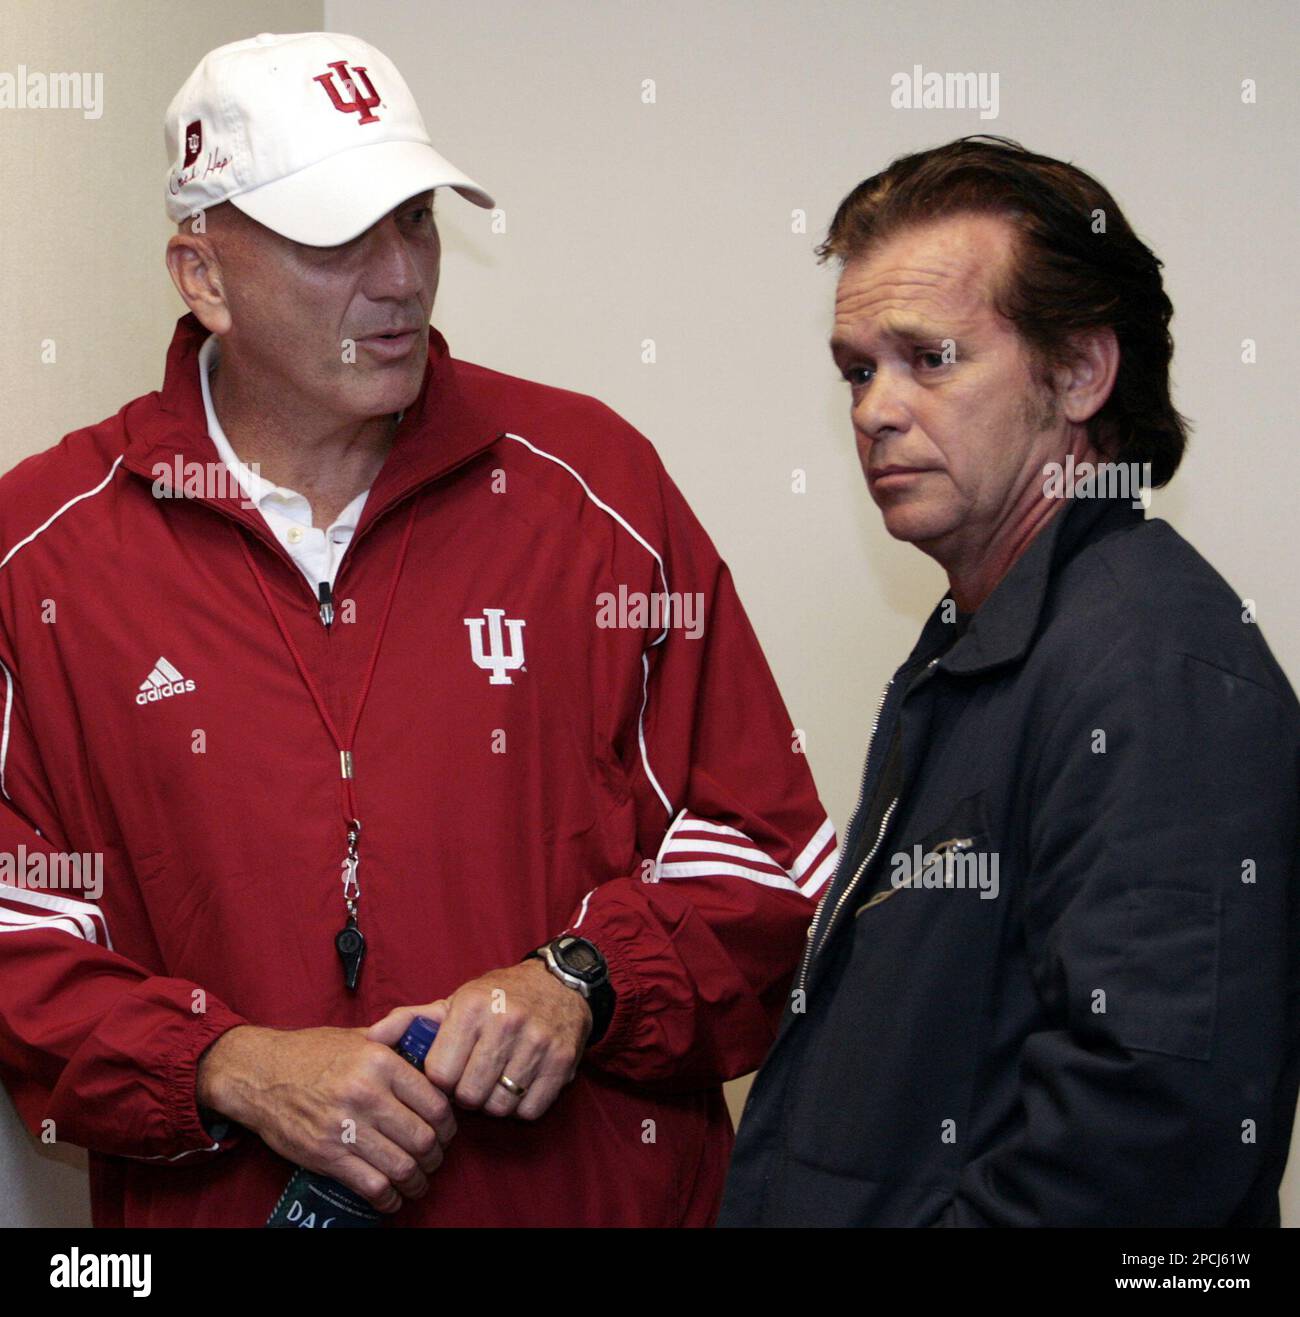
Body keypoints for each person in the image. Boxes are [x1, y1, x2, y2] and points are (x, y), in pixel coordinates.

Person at [0, 32, 836, 1228]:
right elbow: (16, 930)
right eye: (340, 238)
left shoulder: (590, 484)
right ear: (204, 273)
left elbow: (769, 853)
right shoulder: (45, 547)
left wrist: (582, 983)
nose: (401, 277)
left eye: (417, 221)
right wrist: (225, 1066)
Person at [720, 136, 1300, 1227]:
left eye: (929, 359)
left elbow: (1147, 1146)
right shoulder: (987, 643)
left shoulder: (1152, 666)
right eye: (856, 369)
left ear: (1080, 372)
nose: (874, 411)